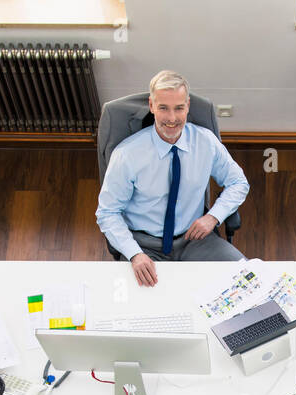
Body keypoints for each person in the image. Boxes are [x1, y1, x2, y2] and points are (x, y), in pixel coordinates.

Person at [95, 70, 250, 288]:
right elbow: (107, 212)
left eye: (179, 108)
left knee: (247, 283)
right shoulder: (127, 155)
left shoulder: (206, 142)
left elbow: (238, 182)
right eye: (163, 108)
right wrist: (134, 254)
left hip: (195, 240)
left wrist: (213, 217)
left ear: (187, 106)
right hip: (145, 246)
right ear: (151, 106)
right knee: (145, 312)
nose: (172, 118)